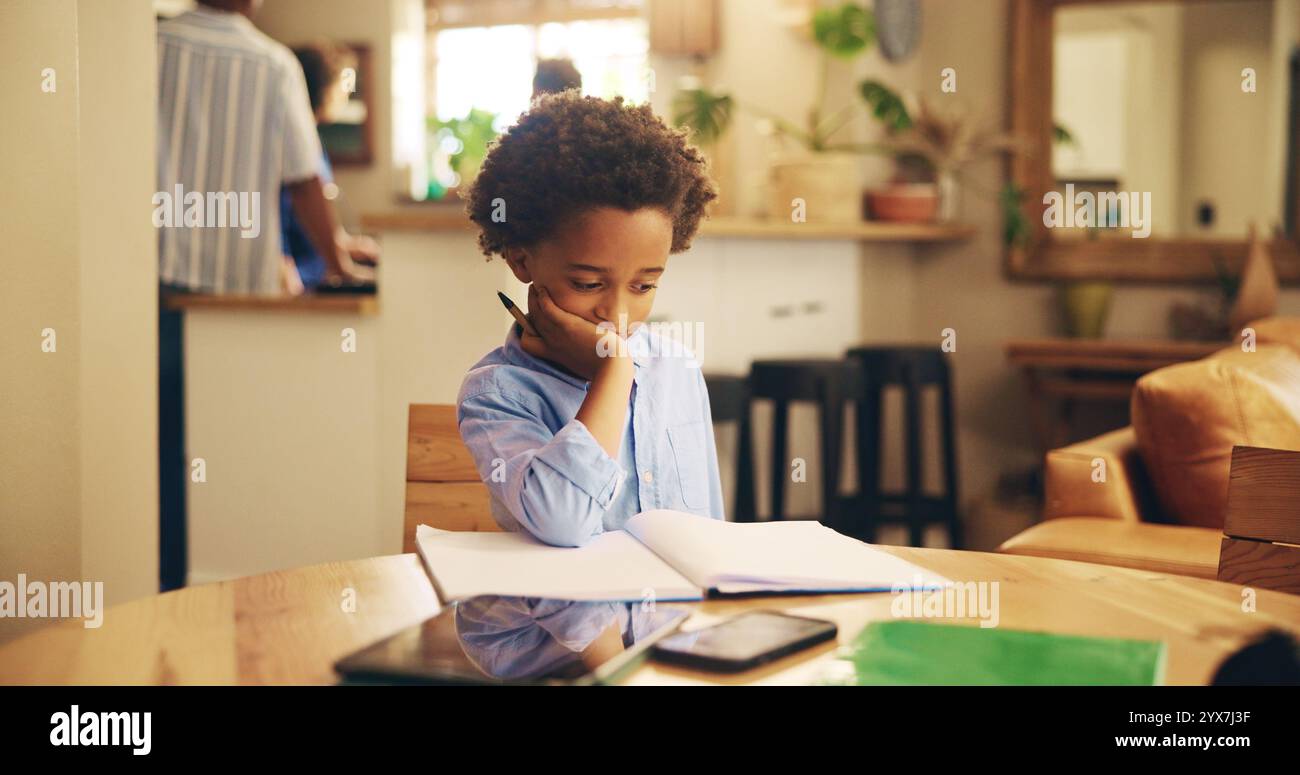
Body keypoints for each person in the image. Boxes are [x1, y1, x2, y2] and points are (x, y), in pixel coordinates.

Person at [456, 92, 723, 548]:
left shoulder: (676, 368)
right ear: (522, 261)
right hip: (556, 617)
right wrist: (614, 369)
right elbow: (562, 522)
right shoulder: (498, 392)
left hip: (673, 618)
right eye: (587, 284)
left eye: (643, 287)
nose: (617, 315)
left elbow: (711, 534)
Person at [156, 0, 372, 295]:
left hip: (156, 265)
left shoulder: (152, 44)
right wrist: (340, 267)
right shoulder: (274, 65)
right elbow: (304, 183)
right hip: (239, 276)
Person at [279, 42, 381, 292]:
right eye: (344, 85)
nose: (346, 94)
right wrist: (342, 266)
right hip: (294, 274)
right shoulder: (290, 142)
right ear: (324, 88)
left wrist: (346, 244)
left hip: (315, 267)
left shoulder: (312, 142)